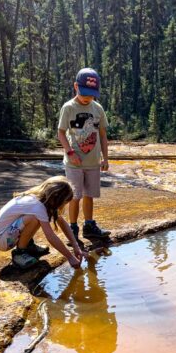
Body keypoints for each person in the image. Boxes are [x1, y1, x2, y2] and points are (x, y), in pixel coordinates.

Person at [57, 67, 111, 245]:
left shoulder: (98, 108)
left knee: (89, 195)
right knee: (75, 196)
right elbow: (61, 133)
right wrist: (70, 153)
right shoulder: (69, 108)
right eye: (84, 93)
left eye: (91, 94)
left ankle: (89, 225)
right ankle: (73, 228)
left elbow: (102, 135)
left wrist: (105, 158)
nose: (87, 98)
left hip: (93, 161)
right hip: (74, 163)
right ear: (75, 87)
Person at [0, 176, 88, 269]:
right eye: (64, 202)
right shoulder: (38, 206)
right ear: (56, 199)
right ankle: (20, 253)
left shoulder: (40, 200)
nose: (63, 206)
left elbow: (62, 222)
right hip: (1, 240)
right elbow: (51, 236)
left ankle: (28, 245)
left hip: (5, 235)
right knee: (34, 219)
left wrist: (76, 247)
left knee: (35, 218)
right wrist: (70, 257)